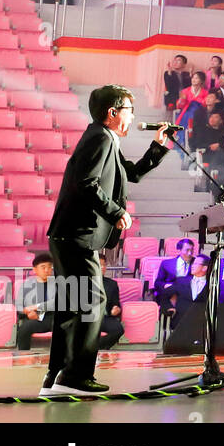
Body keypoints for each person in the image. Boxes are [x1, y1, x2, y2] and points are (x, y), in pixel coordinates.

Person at [41, 85, 171, 396]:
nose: (133, 116)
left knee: (71, 306)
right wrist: (114, 211)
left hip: (70, 235)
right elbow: (85, 183)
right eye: (129, 110)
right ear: (112, 113)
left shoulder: (106, 139)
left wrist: (157, 148)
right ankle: (76, 376)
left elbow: (131, 175)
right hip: (78, 235)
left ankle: (57, 377)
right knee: (90, 302)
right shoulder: (100, 137)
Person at [16, 253, 56, 349]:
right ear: (35, 269)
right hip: (34, 318)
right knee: (24, 329)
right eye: (43, 267)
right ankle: (23, 357)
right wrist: (27, 313)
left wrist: (36, 306)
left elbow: (58, 302)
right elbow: (18, 305)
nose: (47, 270)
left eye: (49, 267)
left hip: (53, 317)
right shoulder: (26, 285)